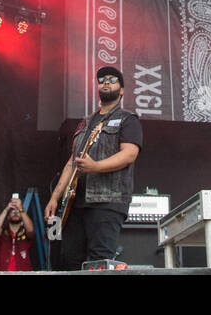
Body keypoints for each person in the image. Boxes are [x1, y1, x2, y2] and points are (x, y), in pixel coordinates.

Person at [45, 66, 143, 269]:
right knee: (69, 259)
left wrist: (95, 166)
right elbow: (73, 161)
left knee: (98, 262)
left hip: (107, 201)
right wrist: (55, 197)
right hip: (75, 203)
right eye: (102, 79)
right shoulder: (85, 123)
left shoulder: (128, 119)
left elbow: (129, 154)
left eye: (112, 79)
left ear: (122, 90)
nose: (106, 82)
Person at [0, 195, 35, 271]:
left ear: (22, 216)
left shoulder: (25, 232)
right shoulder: (3, 232)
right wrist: (6, 209)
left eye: (18, 212)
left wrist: (21, 209)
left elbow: (31, 230)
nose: (15, 213)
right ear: (8, 217)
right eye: (12, 212)